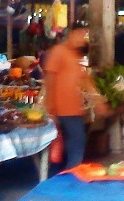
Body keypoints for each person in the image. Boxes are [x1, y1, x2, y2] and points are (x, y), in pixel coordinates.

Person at [44, 25, 107, 172]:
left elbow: (85, 81)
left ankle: (65, 178)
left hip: (73, 110)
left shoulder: (77, 56)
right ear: (71, 34)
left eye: (85, 35)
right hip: (62, 110)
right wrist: (50, 107)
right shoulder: (58, 51)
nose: (83, 39)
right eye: (81, 34)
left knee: (70, 147)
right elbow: (50, 79)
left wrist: (98, 101)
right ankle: (69, 178)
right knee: (72, 147)